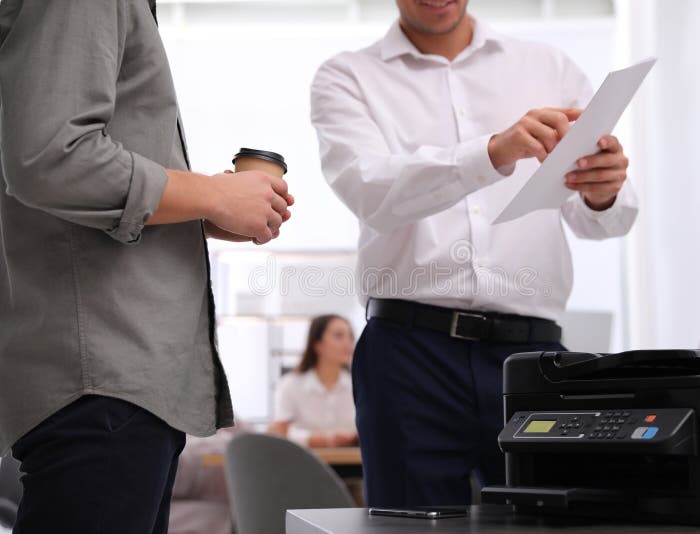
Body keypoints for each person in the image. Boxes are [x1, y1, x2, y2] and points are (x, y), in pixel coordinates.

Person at [310, 0, 637, 507]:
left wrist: (603, 191)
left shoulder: (549, 66)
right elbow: (370, 191)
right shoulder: (348, 77)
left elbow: (606, 220)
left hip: (532, 359)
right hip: (409, 356)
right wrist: (492, 152)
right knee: (408, 524)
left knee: (547, 519)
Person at [0, 1, 293, 532]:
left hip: (115, 380)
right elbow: (50, 158)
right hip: (106, 377)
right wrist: (212, 194)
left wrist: (206, 208)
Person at [269, 315, 358, 448]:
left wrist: (354, 437)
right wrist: (319, 439)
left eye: (350, 336)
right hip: (303, 458)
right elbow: (278, 431)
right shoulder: (290, 384)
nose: (348, 343)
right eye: (339, 336)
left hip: (352, 458)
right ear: (317, 344)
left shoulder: (359, 386)